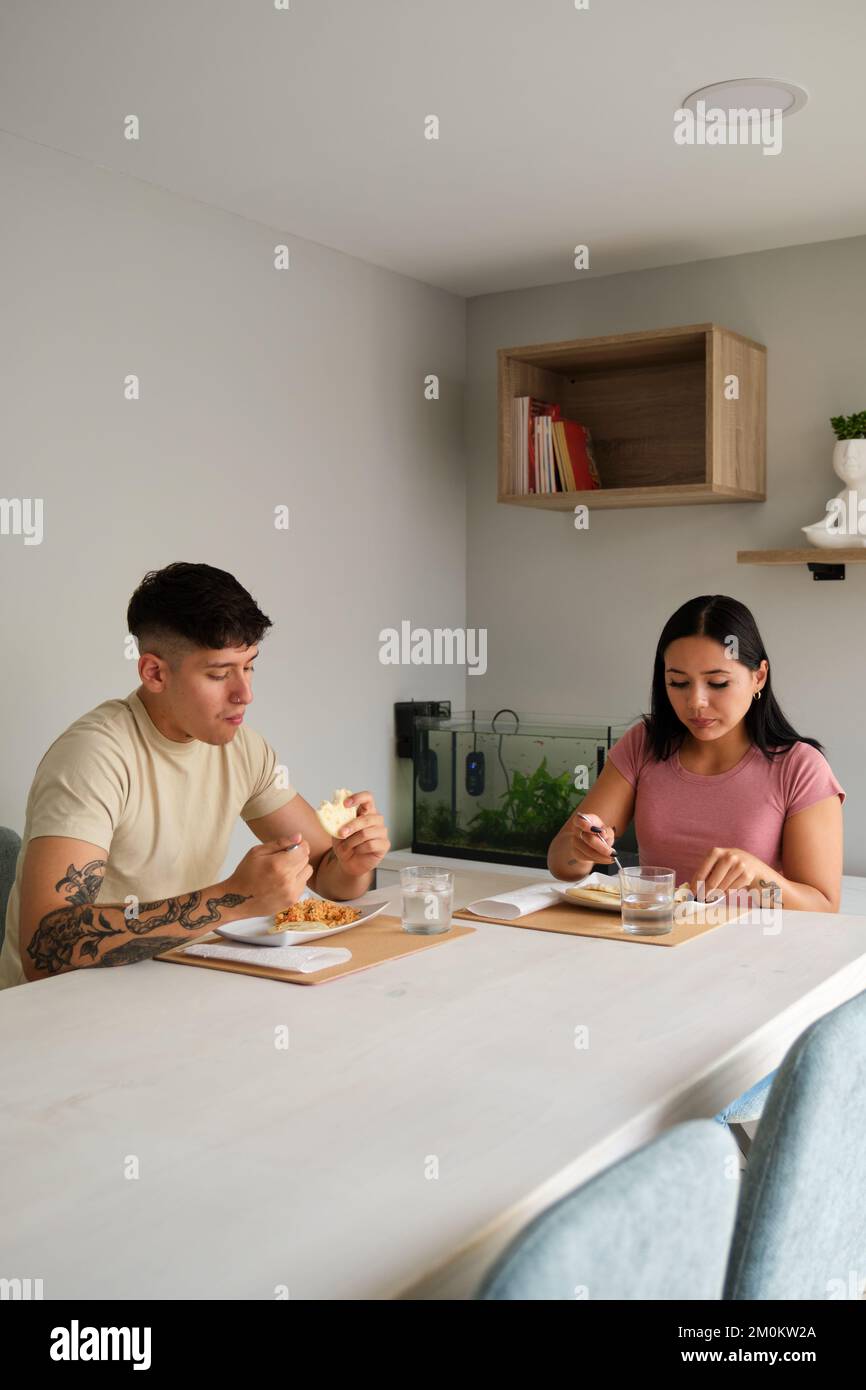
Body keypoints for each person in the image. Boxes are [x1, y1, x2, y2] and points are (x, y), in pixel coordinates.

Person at [0, 562, 391, 989]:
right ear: (154, 673)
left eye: (250, 666)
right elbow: (46, 947)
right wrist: (231, 900)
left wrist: (354, 860)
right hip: (53, 1016)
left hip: (170, 990)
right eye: (220, 674)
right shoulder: (93, 755)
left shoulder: (243, 748)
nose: (245, 693)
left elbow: (327, 876)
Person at [547, 593, 846, 1127]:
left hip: (751, 997)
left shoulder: (799, 767)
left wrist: (763, 877)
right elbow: (563, 864)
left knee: (646, 1103)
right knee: (560, 1065)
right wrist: (580, 847)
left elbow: (824, 908)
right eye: (678, 683)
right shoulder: (645, 746)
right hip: (647, 975)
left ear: (758, 677)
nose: (697, 703)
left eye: (718, 682)